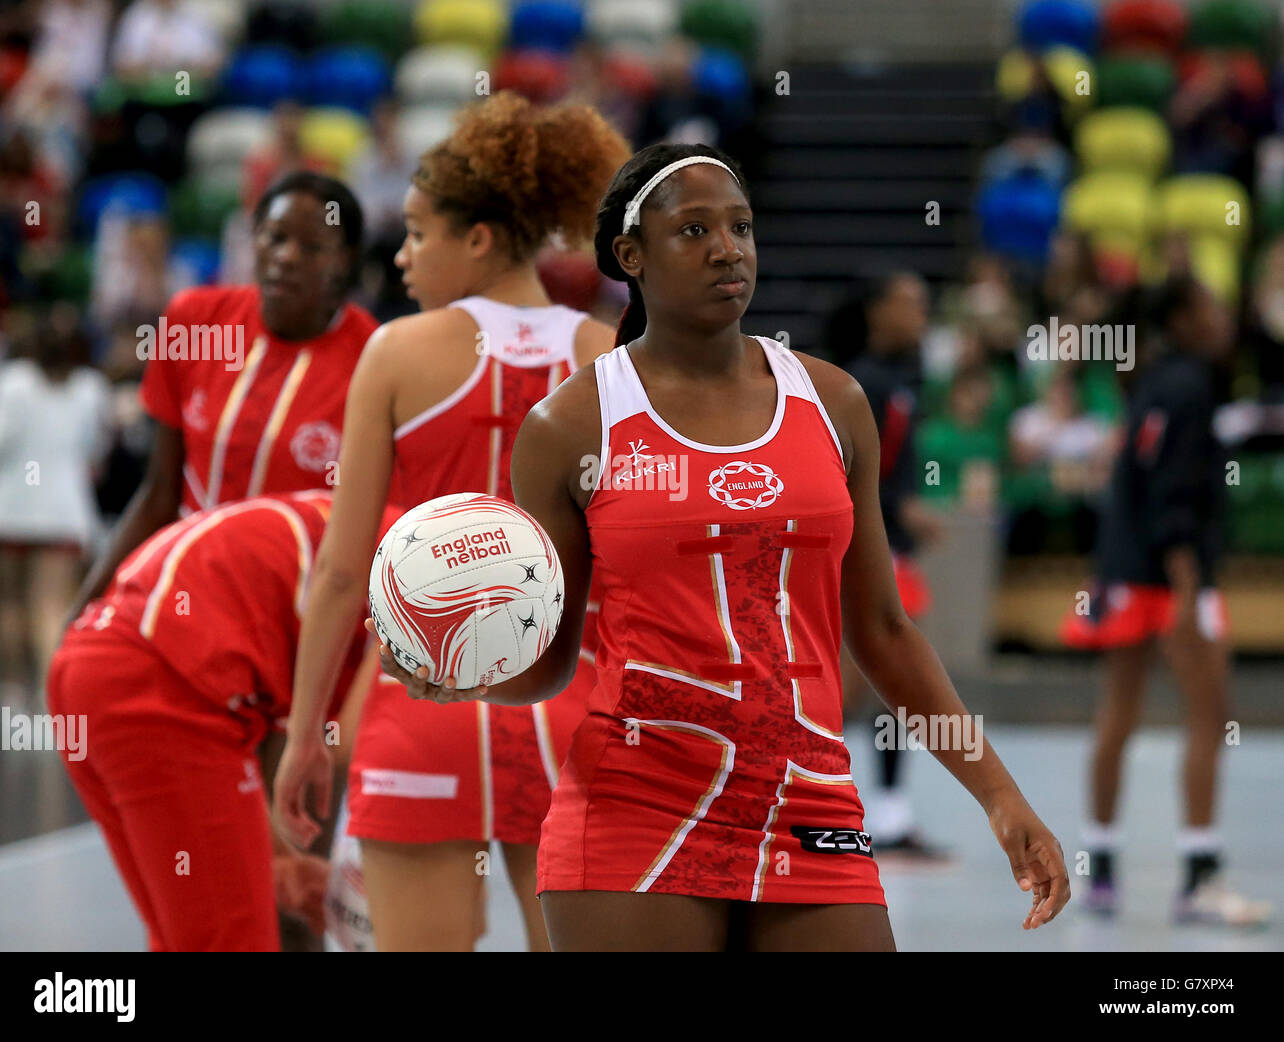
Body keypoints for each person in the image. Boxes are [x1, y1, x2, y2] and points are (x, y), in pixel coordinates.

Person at [373, 142, 1070, 951]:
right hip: (635, 803)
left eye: (739, 227)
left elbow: (881, 629)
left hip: (808, 794)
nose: (726, 249)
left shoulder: (834, 402)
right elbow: (551, 657)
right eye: (694, 230)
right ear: (630, 256)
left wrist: (998, 794)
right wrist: (462, 676)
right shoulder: (569, 425)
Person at [274, 92, 630, 952]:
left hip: (422, 700)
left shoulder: (396, 351)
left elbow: (340, 571)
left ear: (476, 240)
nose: (399, 258)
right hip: (565, 703)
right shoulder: (604, 355)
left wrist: (305, 732)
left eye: (416, 232)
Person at [47, 491, 403, 951]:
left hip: (93, 662)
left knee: (187, 935)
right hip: (159, 682)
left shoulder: (360, 524)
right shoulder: (418, 580)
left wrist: (275, 855)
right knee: (231, 941)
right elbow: (352, 743)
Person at [68, 172, 376, 623]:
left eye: (312, 247)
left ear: (346, 261)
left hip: (299, 615)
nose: (287, 257)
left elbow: (372, 531)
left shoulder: (377, 360)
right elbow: (159, 494)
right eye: (275, 237)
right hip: (190, 594)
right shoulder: (193, 322)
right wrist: (83, 611)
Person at [1061, 275, 1272, 927]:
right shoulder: (1190, 386)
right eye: (1207, 304)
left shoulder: (1151, 382)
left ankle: (1099, 869)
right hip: (1173, 579)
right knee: (1211, 716)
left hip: (1124, 571)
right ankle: (1199, 878)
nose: (1220, 316)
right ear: (1182, 319)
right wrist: (1188, 588)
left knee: (1116, 716)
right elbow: (1174, 495)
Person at [840, 272, 949, 862]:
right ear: (878, 311)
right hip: (863, 556)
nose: (920, 312)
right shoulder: (865, 385)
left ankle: (889, 817)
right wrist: (902, 507)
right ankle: (795, 805)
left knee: (894, 693)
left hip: (890, 553)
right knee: (850, 691)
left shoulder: (900, 382)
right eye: (908, 301)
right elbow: (852, 471)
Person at [0, 305, 110, 709]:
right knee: (51, 605)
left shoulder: (12, 383)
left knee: (9, 603)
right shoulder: (92, 388)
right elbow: (97, 454)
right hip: (63, 512)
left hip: (12, 510)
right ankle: (49, 694)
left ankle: (12, 693)